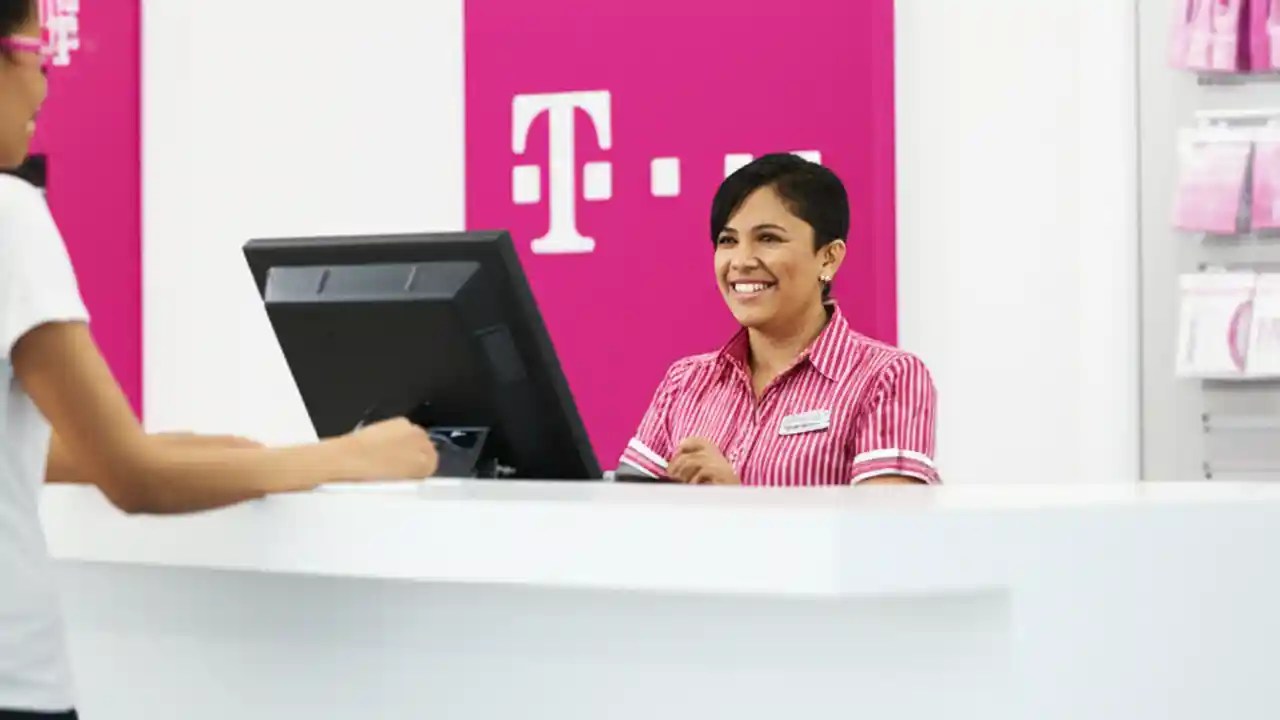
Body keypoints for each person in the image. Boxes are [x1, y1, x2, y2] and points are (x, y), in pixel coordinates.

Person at [0, 2, 439, 717]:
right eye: (34, 48)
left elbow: (41, 452)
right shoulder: (11, 217)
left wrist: (215, 453)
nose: (45, 80)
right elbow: (132, 478)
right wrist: (346, 457)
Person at [617, 153, 939, 486]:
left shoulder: (887, 378)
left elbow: (885, 533)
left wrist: (737, 501)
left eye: (768, 238)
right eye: (728, 241)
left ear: (829, 258)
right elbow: (620, 517)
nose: (741, 261)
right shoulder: (685, 381)